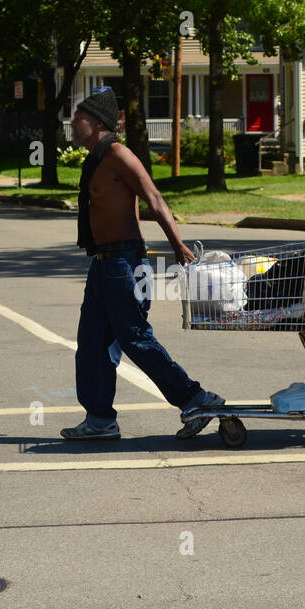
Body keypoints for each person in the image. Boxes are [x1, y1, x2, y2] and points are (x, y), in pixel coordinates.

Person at [61, 87, 223, 440]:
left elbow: (154, 198)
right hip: (103, 265)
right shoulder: (95, 159)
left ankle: (195, 398)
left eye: (79, 119)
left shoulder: (120, 155)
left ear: (99, 123)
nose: (73, 125)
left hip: (125, 263)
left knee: (134, 338)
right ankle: (100, 419)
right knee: (91, 342)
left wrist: (177, 244)